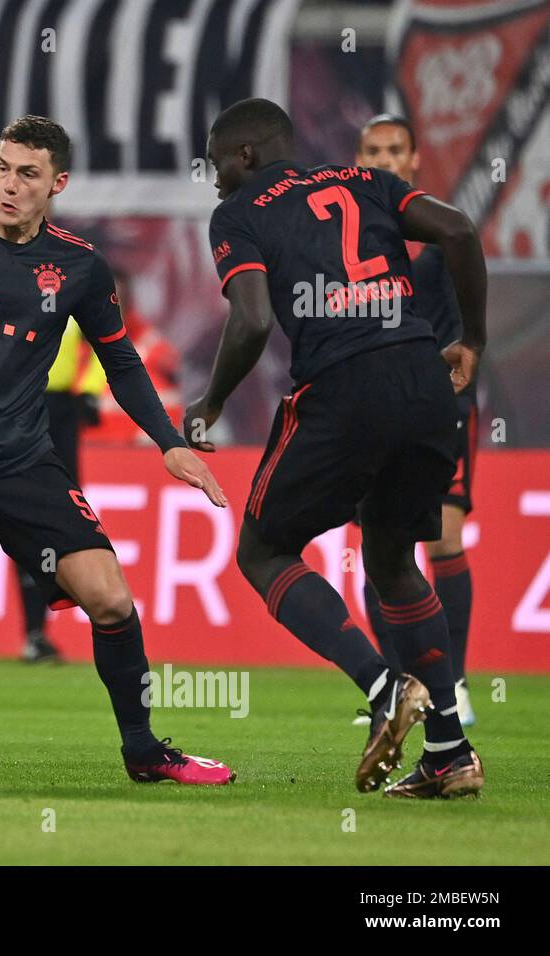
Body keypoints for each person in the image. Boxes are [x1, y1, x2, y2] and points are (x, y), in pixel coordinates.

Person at [0, 115, 234, 787]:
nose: (9, 184)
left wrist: (170, 444)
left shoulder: (79, 267)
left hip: (23, 460)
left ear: (57, 182)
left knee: (112, 600)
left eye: (27, 174)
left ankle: (145, 750)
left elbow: (121, 364)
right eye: (3, 167)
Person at [186, 98, 485, 797]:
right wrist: (473, 339)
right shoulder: (366, 183)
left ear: (248, 156)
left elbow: (254, 317)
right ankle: (449, 750)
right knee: (390, 560)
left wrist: (215, 400)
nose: (218, 180)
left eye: (219, 163)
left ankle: (383, 688)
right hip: (424, 381)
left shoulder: (239, 212)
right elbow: (461, 229)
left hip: (346, 388)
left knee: (261, 550)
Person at [353, 114, 478, 728]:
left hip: (441, 404)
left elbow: (461, 337)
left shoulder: (440, 234)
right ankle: (400, 687)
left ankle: (452, 683)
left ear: (414, 160)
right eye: (372, 150)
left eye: (393, 150)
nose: (382, 159)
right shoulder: (353, 239)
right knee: (379, 542)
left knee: (445, 537)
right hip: (373, 411)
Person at [17, 316, 105, 663]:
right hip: (17, 406)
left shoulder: (75, 284)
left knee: (57, 513)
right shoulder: (16, 282)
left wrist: (91, 390)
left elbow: (106, 341)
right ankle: (34, 632)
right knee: (22, 518)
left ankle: (40, 631)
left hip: (62, 412)